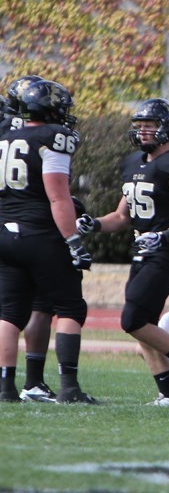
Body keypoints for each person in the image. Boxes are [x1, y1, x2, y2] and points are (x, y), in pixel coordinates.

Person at [76, 98, 169, 407]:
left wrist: (163, 236)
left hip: (166, 255)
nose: (143, 131)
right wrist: (93, 223)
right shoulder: (132, 163)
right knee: (144, 325)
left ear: (167, 129)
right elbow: (122, 216)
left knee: (132, 319)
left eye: (150, 125)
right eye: (139, 125)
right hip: (141, 254)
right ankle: (168, 395)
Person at [0, 79, 97, 404]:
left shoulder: (6, 136)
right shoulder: (52, 137)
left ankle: (5, 388)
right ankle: (69, 388)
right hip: (39, 233)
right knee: (70, 306)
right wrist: (73, 241)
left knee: (9, 313)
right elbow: (58, 197)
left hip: (5, 232)